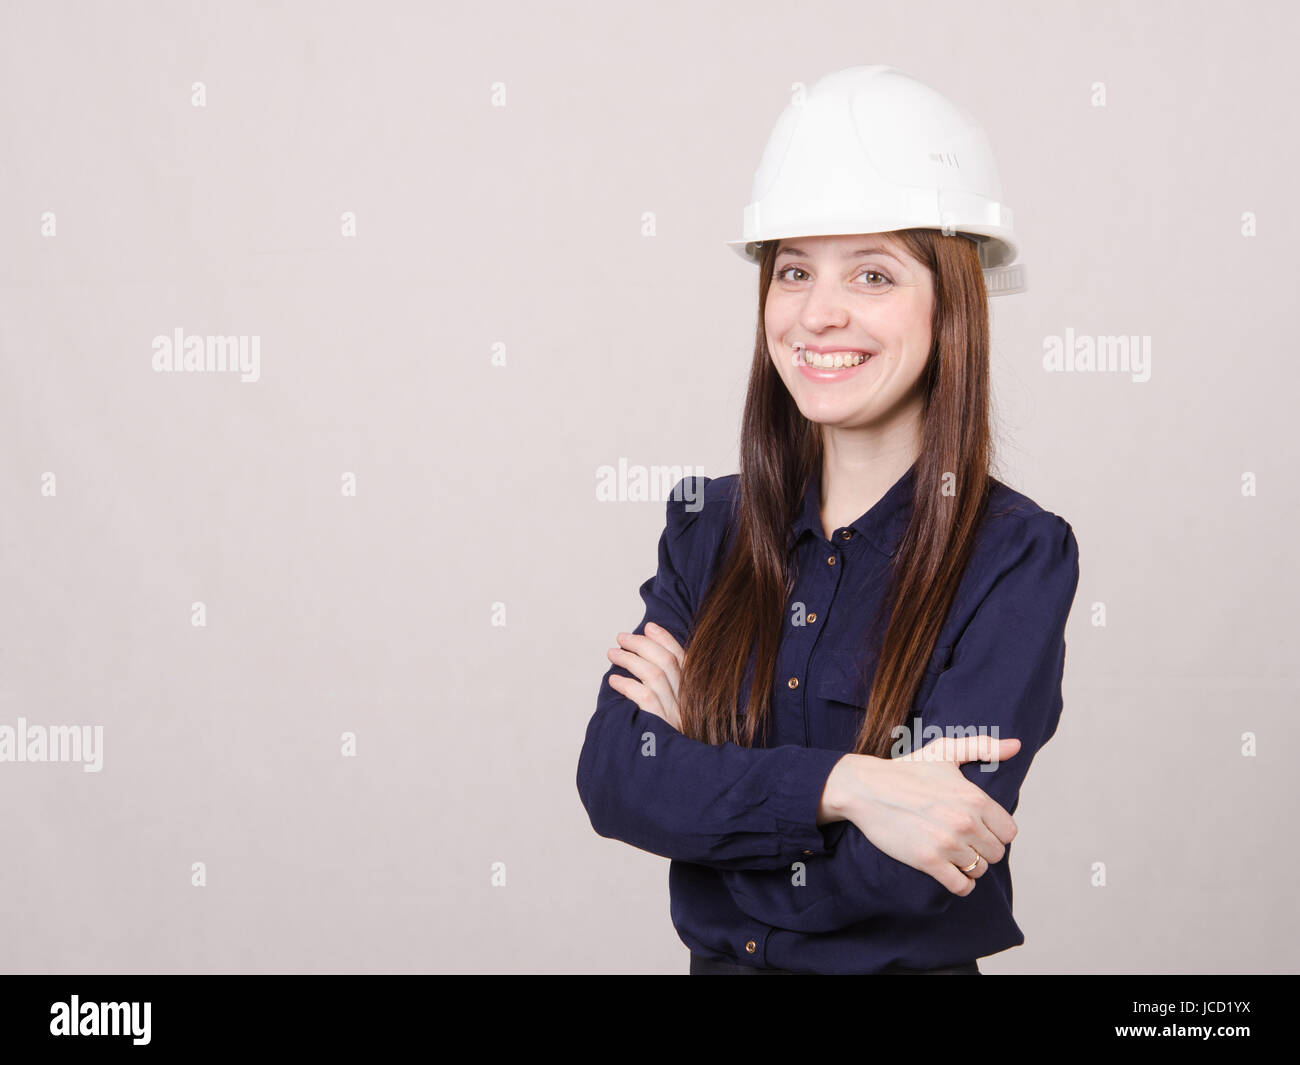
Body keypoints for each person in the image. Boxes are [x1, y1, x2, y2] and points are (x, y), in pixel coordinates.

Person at [575, 65, 1080, 975]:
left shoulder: (1014, 557)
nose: (819, 313)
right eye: (795, 270)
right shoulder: (707, 526)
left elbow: (916, 871)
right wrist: (848, 785)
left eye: (874, 273)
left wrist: (708, 789)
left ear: (951, 308)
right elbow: (616, 777)